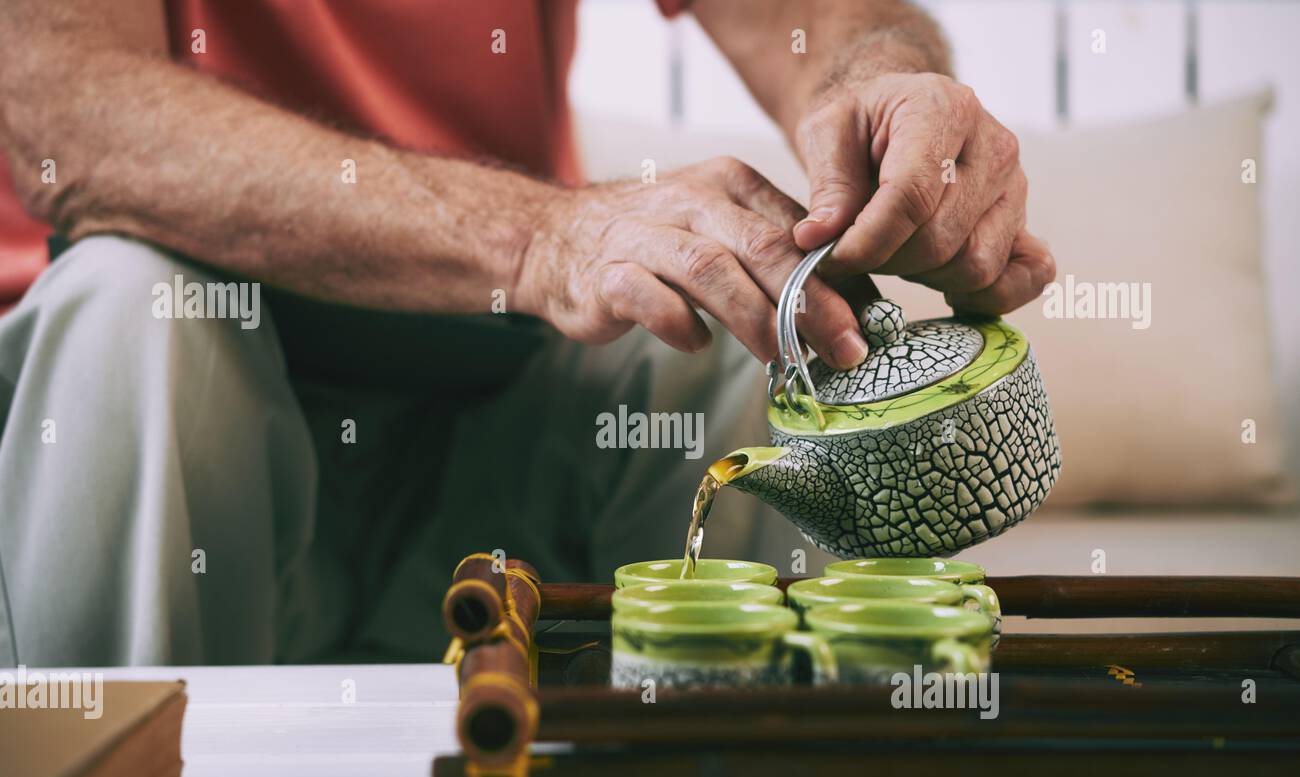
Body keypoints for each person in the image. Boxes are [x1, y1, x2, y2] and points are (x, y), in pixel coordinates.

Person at [0, 0, 1053, 666]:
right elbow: (70, 116)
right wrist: (539, 237)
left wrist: (875, 78)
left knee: (761, 320)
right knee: (130, 312)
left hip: (506, 409)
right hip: (179, 426)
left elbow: (814, 16)